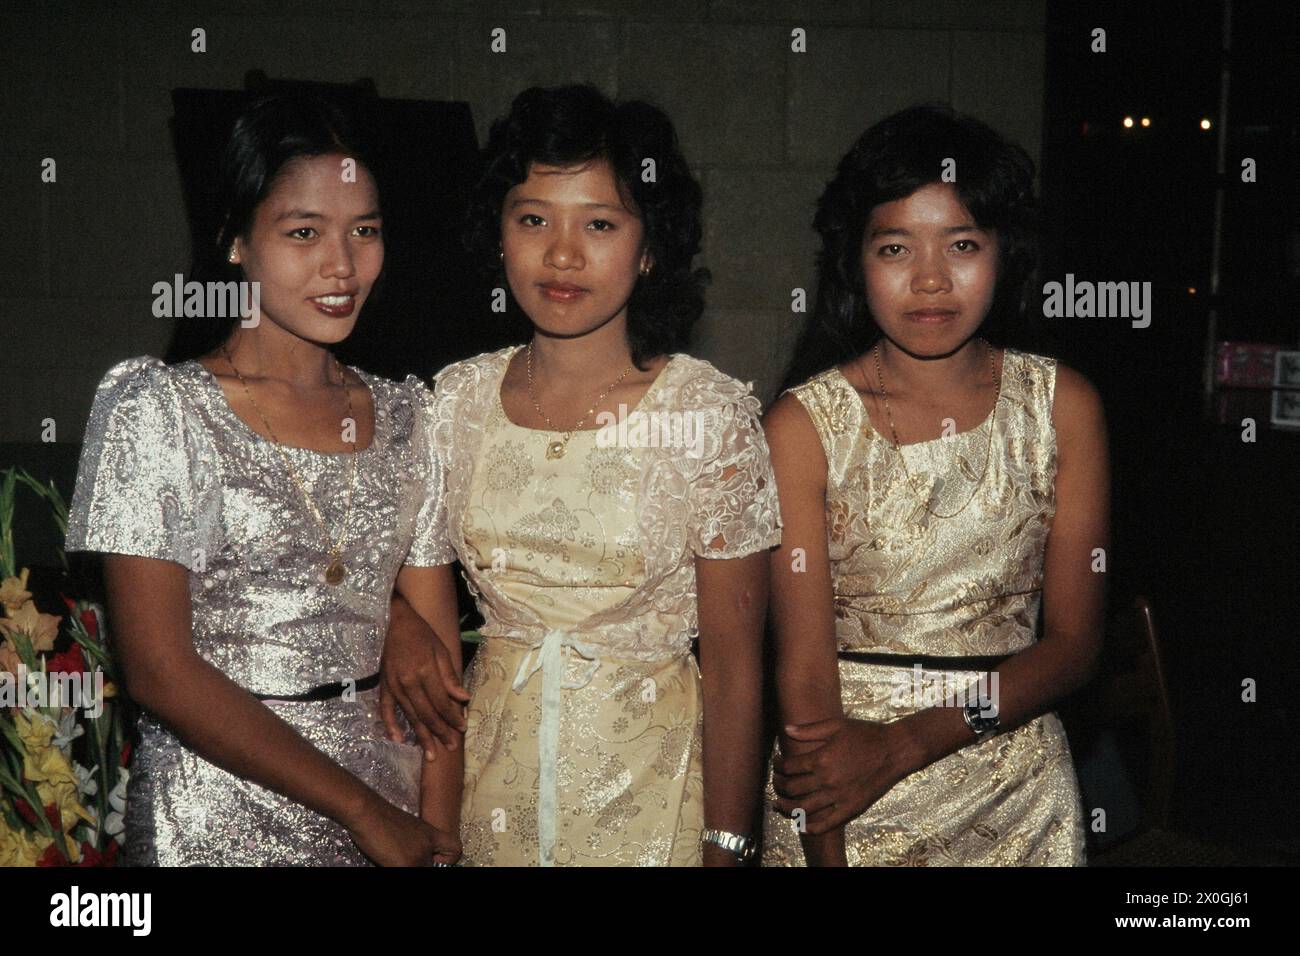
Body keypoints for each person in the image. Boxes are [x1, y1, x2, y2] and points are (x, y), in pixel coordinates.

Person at [382, 84, 781, 866]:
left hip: (654, 805)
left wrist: (727, 847)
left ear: (651, 243)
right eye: (533, 219)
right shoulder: (456, 401)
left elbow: (737, 671)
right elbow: (420, 606)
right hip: (486, 801)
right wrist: (395, 616)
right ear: (498, 234)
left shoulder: (707, 413)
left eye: (599, 224)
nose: (562, 255)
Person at [64, 92, 466, 866]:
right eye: (304, 232)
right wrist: (361, 812)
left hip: (389, 801)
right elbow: (159, 669)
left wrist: (435, 841)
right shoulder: (161, 410)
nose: (341, 266)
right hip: (214, 808)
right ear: (236, 242)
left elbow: (439, 689)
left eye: (365, 231)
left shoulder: (413, 416)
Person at [763, 104, 1109, 866]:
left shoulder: (1063, 407)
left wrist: (908, 741)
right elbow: (805, 672)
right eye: (895, 247)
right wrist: (827, 840)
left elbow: (1076, 645)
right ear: (856, 259)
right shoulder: (802, 426)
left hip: (1017, 794)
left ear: (1003, 253)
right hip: (843, 786)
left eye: (961, 244)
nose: (929, 278)